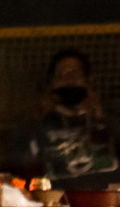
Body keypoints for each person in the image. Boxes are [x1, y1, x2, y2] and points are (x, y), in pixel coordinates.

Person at [8, 48, 120, 189]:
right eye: (60, 76)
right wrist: (35, 119)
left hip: (108, 201)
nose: (68, 80)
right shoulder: (40, 124)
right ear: (51, 84)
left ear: (88, 80)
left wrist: (103, 117)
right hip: (58, 201)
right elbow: (15, 163)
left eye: (74, 74)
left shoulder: (111, 115)